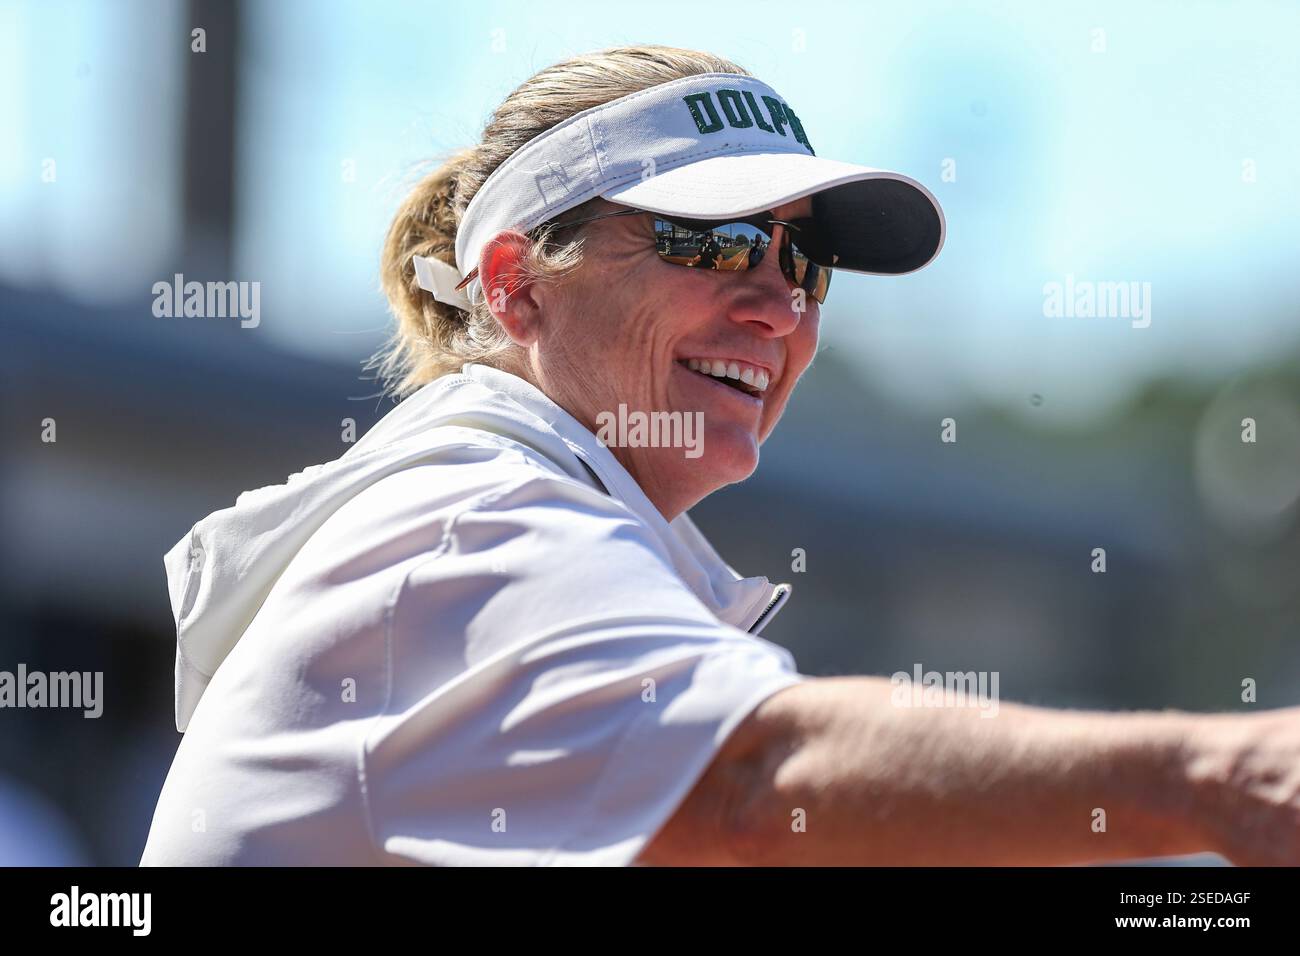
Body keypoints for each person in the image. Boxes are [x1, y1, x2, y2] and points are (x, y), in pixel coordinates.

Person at [140, 45, 1299, 867]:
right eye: (717, 239)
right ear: (514, 284)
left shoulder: (535, 515)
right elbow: (760, 784)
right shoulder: (472, 518)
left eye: (804, 264)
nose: (777, 308)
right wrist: (1224, 779)